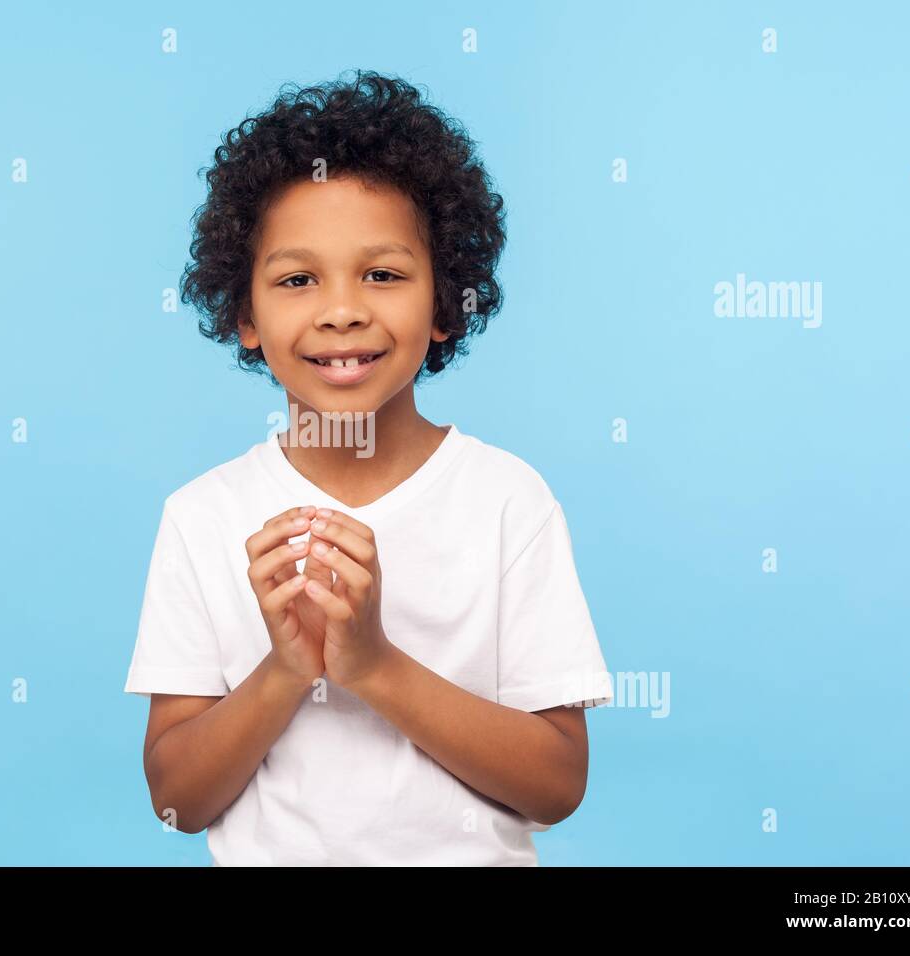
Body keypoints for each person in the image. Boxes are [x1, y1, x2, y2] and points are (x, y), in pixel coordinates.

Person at [124, 70, 613, 865]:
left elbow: (557, 786)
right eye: (296, 279)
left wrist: (375, 664)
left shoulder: (507, 503)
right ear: (245, 315)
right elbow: (177, 801)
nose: (343, 309)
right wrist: (288, 668)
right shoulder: (203, 516)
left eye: (382, 274)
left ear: (445, 303)